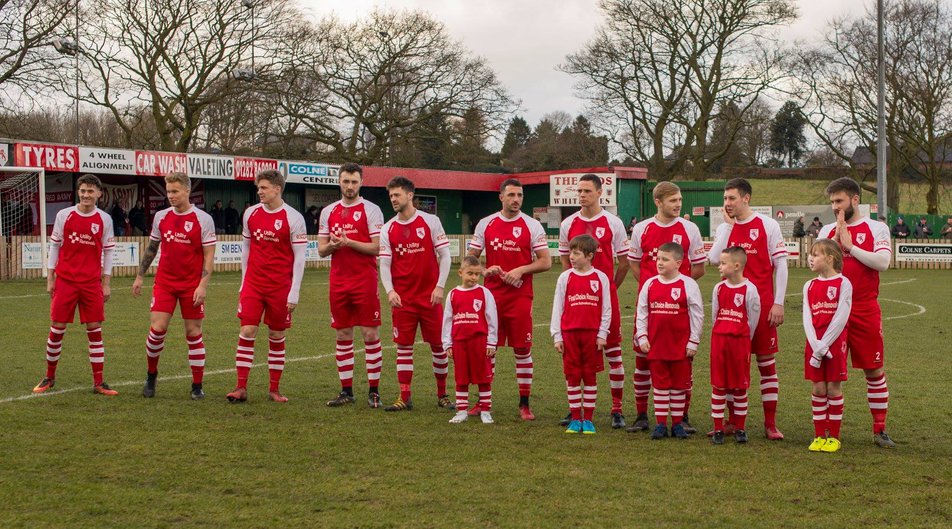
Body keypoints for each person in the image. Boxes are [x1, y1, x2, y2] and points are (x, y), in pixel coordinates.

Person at [818, 177, 896, 448]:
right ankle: (827, 431)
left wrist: (850, 247)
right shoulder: (827, 230)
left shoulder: (877, 228)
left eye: (839, 201)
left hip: (864, 308)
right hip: (831, 309)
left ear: (854, 199)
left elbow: (883, 262)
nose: (835, 207)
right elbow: (816, 266)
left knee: (874, 370)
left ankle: (879, 429)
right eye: (832, 202)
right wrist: (833, 243)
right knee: (830, 374)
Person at [708, 178, 788, 440]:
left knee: (766, 363)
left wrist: (778, 302)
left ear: (746, 198)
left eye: (732, 198)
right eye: (725, 199)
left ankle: (770, 423)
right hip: (731, 311)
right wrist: (728, 229)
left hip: (762, 307)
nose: (727, 203)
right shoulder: (725, 228)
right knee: (732, 367)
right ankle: (732, 421)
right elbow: (713, 259)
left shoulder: (768, 225)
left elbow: (781, 265)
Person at [468, 178, 551, 420]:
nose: (516, 200)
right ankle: (483, 402)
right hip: (491, 297)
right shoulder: (486, 223)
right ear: (501, 197)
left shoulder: (532, 225)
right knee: (488, 348)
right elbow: (471, 259)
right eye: (512, 195)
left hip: (520, 296)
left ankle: (524, 404)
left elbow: (546, 261)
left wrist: (521, 270)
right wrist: (484, 271)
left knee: (522, 349)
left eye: (520, 195)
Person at [627, 181, 706, 433]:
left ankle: (682, 417)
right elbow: (634, 263)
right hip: (650, 309)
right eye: (673, 200)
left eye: (680, 199)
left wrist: (679, 289)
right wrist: (653, 289)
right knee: (643, 360)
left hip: (678, 311)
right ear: (658, 202)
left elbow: (700, 267)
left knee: (683, 362)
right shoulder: (642, 229)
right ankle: (641, 415)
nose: (678, 204)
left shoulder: (690, 228)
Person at [131, 172, 216, 400]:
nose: (171, 195)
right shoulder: (161, 217)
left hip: (191, 285)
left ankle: (197, 385)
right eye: (168, 191)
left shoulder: (203, 219)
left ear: (187, 191)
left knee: (193, 333)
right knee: (157, 330)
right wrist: (140, 276)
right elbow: (152, 248)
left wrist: (203, 285)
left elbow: (209, 256)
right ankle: (151, 375)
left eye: (175, 191)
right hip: (165, 283)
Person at [226, 170, 307, 403]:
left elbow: (300, 258)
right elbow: (246, 249)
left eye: (263, 187)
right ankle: (240, 387)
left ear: (277, 189)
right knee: (247, 331)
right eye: (258, 188)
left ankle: (274, 389)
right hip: (254, 285)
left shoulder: (294, 218)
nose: (259, 192)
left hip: (280, 287)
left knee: (276, 334)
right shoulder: (250, 213)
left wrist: (294, 291)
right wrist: (244, 282)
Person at [33, 174, 118, 396]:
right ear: (78, 192)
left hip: (91, 283)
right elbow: (55, 246)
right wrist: (50, 278)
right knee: (57, 328)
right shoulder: (64, 215)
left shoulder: (105, 219)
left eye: (90, 191)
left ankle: (99, 382)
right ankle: (49, 377)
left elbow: (109, 252)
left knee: (95, 330)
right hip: (66, 281)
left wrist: (106, 283)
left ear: (99, 194)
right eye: (82, 191)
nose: (86, 195)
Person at [557, 174, 629, 429]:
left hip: (605, 299)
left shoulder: (613, 222)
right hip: (578, 302)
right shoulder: (568, 223)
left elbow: (624, 262)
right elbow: (564, 260)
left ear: (600, 193)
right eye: (579, 191)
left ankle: (617, 409)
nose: (582, 195)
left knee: (614, 353)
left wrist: (609, 288)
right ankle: (575, 410)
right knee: (576, 356)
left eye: (587, 191)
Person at [379, 176, 454, 411]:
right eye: (391, 195)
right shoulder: (388, 228)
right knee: (403, 348)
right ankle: (405, 397)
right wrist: (390, 291)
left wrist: (440, 286)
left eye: (397, 195)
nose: (393, 199)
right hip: (403, 300)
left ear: (410, 195)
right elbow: (384, 264)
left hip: (430, 298)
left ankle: (442, 394)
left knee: (439, 346)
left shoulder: (430, 221)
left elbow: (445, 256)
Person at [318, 163, 386, 408]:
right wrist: (334, 245)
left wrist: (349, 242)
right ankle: (346, 391)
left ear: (361, 183)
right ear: (339, 182)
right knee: (343, 334)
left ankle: (374, 391)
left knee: (370, 334)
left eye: (354, 182)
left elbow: (377, 247)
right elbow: (321, 250)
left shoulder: (372, 210)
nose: (349, 186)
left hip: (364, 281)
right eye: (346, 181)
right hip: (338, 282)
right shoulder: (328, 211)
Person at [635, 242, 704, 440]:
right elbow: (642, 312)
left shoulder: (688, 284)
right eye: (658, 258)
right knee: (660, 386)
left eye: (665, 259)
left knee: (678, 386)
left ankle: (677, 424)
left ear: (678, 263)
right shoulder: (650, 284)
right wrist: (642, 336)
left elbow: (697, 315)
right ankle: (660, 424)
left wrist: (693, 341)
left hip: (680, 346)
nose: (659, 262)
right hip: (656, 345)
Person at [552, 234, 611, 435]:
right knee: (573, 376)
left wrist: (602, 333)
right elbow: (557, 307)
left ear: (589, 255)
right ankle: (576, 418)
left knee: (590, 376)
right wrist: (557, 336)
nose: (571, 257)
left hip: (592, 336)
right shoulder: (565, 277)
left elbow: (606, 308)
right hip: (570, 335)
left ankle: (589, 420)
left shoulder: (600, 278)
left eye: (576, 253)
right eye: (571, 252)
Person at [802, 239, 853, 454]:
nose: (810, 258)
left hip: (834, 344)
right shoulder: (809, 285)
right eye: (810, 254)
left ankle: (833, 437)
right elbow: (807, 317)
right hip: (814, 344)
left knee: (833, 388)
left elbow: (841, 318)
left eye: (816, 255)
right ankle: (819, 435)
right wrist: (816, 345)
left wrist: (823, 345)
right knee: (818, 388)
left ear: (830, 259)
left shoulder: (844, 283)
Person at [709, 246, 761, 445]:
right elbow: (715, 316)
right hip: (719, 341)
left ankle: (740, 428)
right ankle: (718, 428)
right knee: (719, 386)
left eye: (723, 263)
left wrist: (743, 338)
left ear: (737, 266)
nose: (719, 266)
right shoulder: (718, 288)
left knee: (739, 386)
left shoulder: (750, 289)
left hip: (739, 343)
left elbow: (753, 320)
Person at [442, 256, 499, 424]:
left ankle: (486, 411)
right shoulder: (453, 294)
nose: (474, 277)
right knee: (461, 378)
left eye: (477, 274)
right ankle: (461, 411)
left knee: (483, 378)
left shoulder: (484, 293)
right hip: (459, 342)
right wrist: (447, 343)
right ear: (460, 273)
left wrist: (491, 342)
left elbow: (492, 318)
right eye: (470, 273)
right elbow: (447, 320)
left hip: (479, 342)